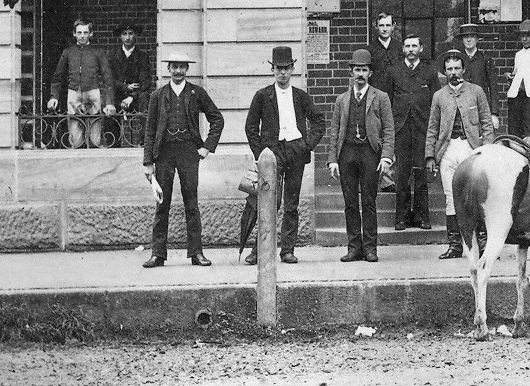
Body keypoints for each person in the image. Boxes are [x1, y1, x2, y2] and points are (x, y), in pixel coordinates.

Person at [237, 46, 322, 264]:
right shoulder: (263, 96)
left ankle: (287, 250)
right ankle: (259, 251)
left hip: (295, 151)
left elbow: (319, 122)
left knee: (291, 204)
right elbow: (250, 127)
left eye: (286, 68)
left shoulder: (301, 97)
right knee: (267, 202)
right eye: (278, 69)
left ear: (293, 69)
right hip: (272, 154)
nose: (282, 73)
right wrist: (261, 153)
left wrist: (306, 145)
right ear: (272, 70)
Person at [142, 53, 222, 267]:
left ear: (187, 69)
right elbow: (149, 130)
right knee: (162, 203)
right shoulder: (157, 96)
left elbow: (217, 119)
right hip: (164, 153)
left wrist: (206, 147)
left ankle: (196, 253)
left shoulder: (196, 92)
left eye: (182, 67)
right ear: (168, 69)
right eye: (174, 67)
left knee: (191, 203)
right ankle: (158, 254)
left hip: (188, 152)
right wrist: (148, 162)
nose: (178, 71)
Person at [426, 45, 496, 259]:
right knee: (450, 197)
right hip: (447, 150)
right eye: (449, 69)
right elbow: (432, 127)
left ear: (464, 70)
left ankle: (483, 243)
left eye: (457, 68)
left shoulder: (476, 92)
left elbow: (486, 123)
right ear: (444, 72)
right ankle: (455, 244)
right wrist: (430, 155)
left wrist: (487, 150)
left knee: (477, 195)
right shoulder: (439, 96)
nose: (453, 73)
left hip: (471, 148)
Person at [327, 47, 395, 263]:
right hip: (346, 153)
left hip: (369, 153)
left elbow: (389, 129)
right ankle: (353, 248)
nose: (360, 74)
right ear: (351, 72)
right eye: (357, 70)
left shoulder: (381, 97)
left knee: (368, 201)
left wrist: (386, 156)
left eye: (364, 70)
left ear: (370, 73)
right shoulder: (342, 100)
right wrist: (332, 160)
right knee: (349, 203)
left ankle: (370, 248)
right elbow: (335, 130)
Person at [385, 32, 438, 229]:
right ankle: (401, 217)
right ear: (403, 49)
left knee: (421, 173)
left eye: (414, 46)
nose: (411, 50)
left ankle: (423, 217)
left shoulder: (429, 71)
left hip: (423, 128)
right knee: (402, 174)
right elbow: (387, 101)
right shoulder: (393, 71)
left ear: (421, 49)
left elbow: (435, 101)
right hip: (401, 128)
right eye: (407, 47)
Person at [46, 19, 113, 149]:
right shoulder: (68, 52)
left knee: (95, 139)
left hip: (93, 94)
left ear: (91, 34)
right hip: (74, 94)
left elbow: (107, 78)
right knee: (76, 140)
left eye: (85, 32)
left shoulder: (98, 52)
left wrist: (109, 102)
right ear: (74, 34)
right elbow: (57, 77)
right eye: (79, 32)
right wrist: (54, 97)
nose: (82, 35)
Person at [110, 25, 152, 135]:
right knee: (109, 103)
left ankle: (144, 141)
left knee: (145, 99)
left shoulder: (143, 56)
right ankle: (112, 143)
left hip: (136, 97)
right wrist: (124, 87)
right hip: (118, 95)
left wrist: (131, 97)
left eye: (130, 33)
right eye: (124, 34)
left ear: (136, 35)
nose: (128, 37)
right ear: (120, 36)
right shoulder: (112, 55)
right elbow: (109, 79)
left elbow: (145, 81)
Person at [455, 25, 501, 113]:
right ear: (462, 40)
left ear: (477, 39)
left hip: (481, 106)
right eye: (465, 37)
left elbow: (493, 87)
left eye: (472, 36)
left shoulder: (485, 59)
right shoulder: (458, 59)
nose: (469, 40)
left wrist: (494, 113)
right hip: (461, 106)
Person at [368, 11, 401, 91]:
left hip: (397, 93)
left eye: (388, 25)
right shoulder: (370, 49)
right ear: (376, 27)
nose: (385, 29)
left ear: (393, 26)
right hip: (377, 93)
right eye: (381, 25)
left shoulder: (400, 47)